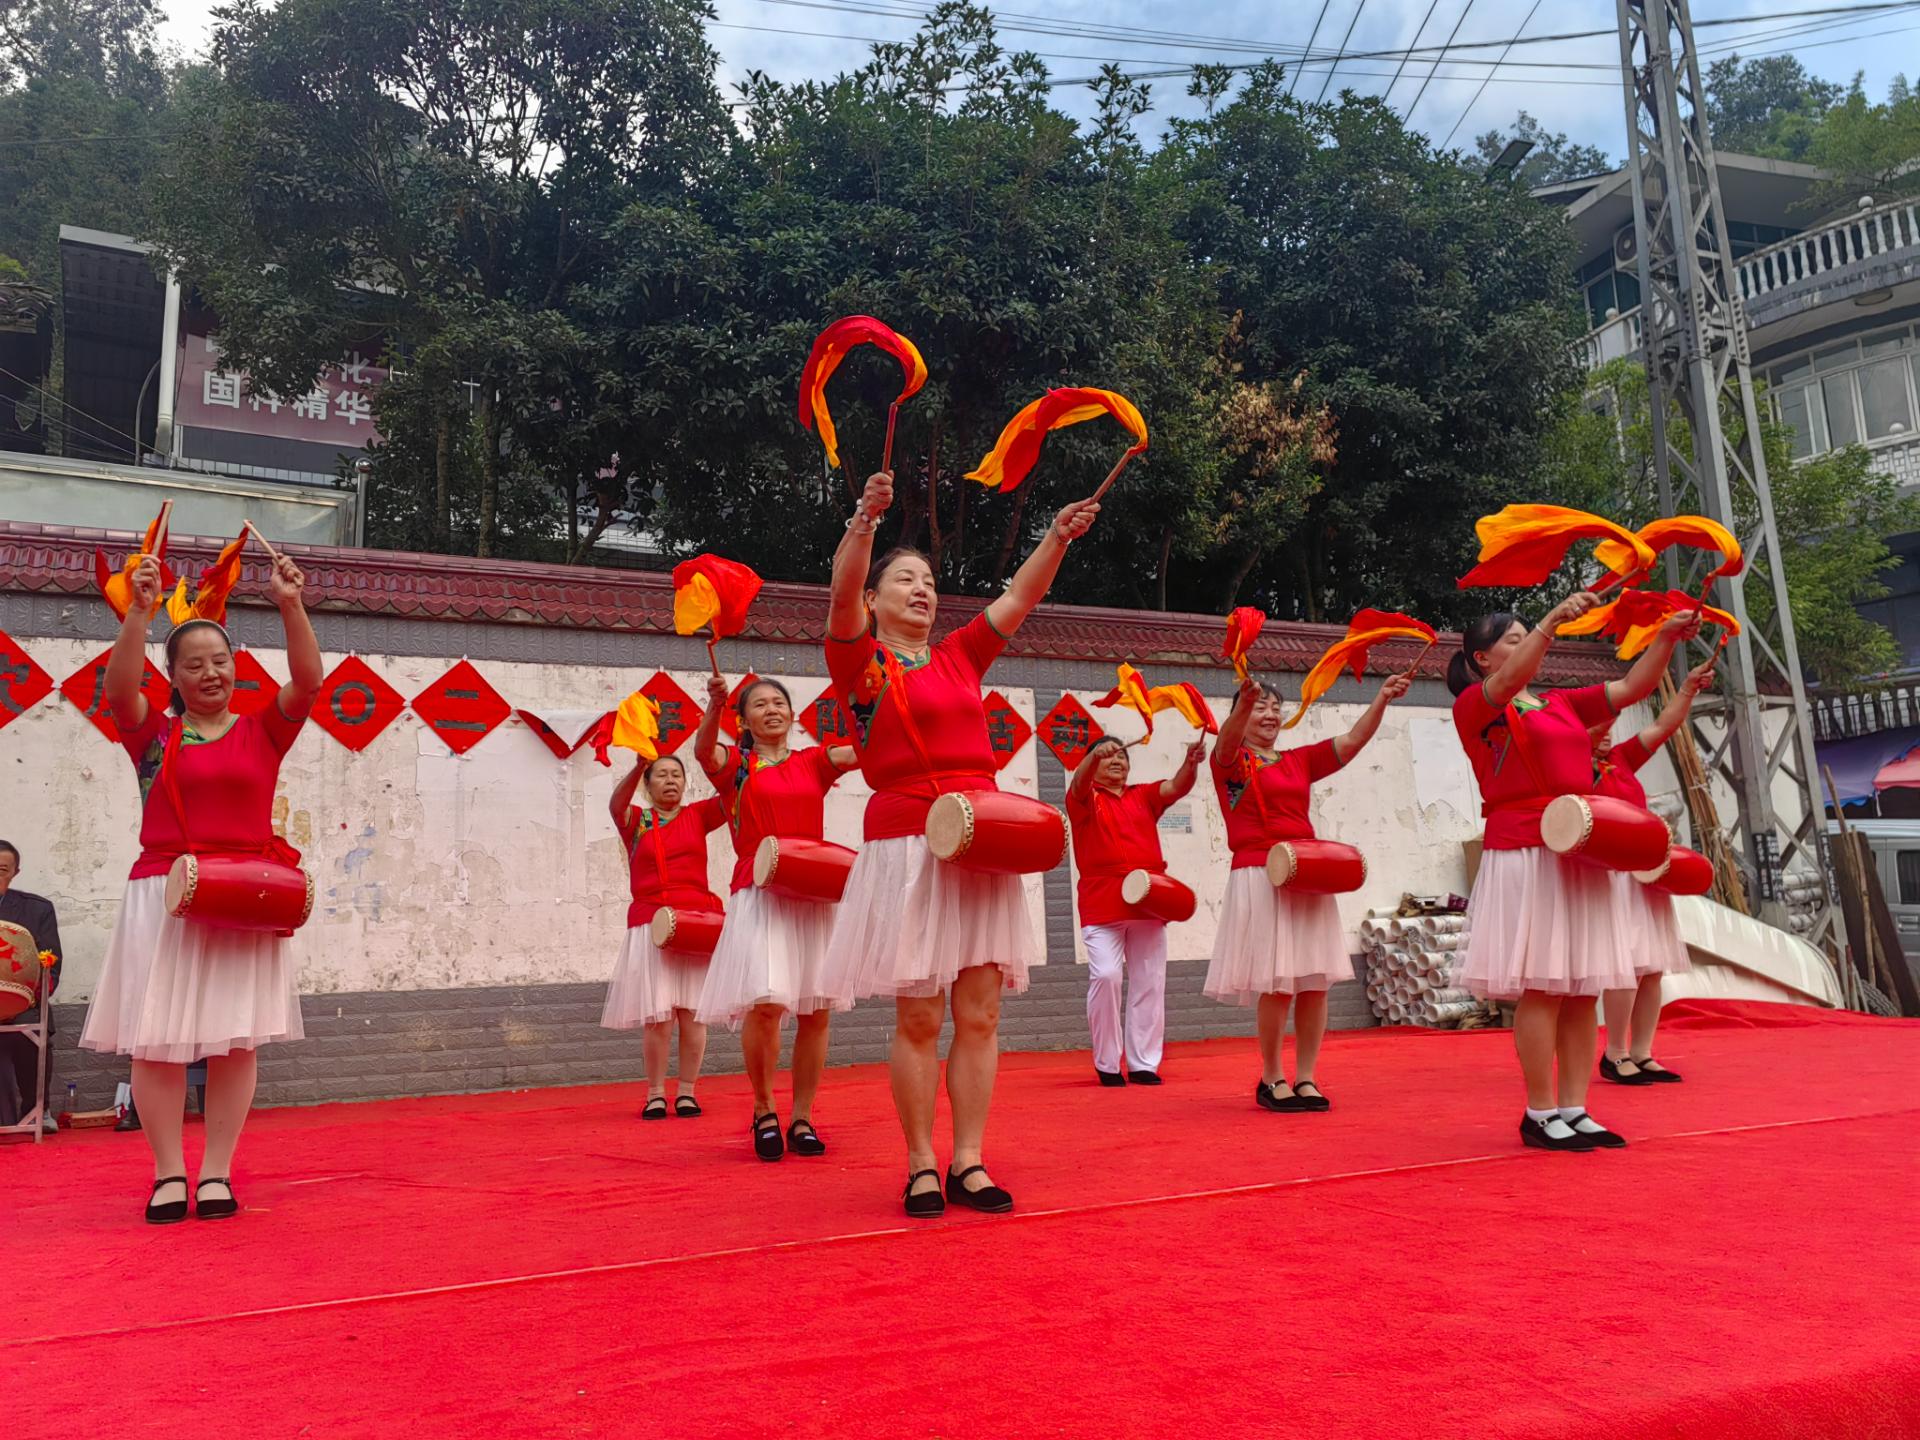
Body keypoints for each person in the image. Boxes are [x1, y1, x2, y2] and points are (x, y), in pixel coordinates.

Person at [819, 468, 1101, 1217]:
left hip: (978, 846)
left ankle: (969, 1160)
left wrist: (1056, 536)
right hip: (908, 848)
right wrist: (864, 523)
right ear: (875, 601)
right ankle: (919, 1162)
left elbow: (1021, 598)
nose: (922, 591)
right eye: (905, 581)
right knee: (919, 1017)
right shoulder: (859, 664)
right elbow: (840, 596)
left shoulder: (958, 658)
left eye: (930, 582)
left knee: (979, 1015)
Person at [80, 549, 323, 1222]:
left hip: (242, 898)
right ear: (174, 677)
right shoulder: (152, 738)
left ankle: (216, 1172)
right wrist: (139, 613)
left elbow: (307, 684)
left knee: (234, 1040)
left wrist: (290, 604)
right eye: (194, 664)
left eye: (220, 661)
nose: (210, 672)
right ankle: (166, 1174)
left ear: (235, 669)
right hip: (165, 894)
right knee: (156, 1043)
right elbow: (116, 692)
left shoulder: (262, 733)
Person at [1447, 600, 1698, 1152]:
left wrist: (1666, 638)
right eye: (1511, 639)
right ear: (1482, 660)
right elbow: (1516, 676)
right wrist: (1551, 622)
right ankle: (1539, 1111)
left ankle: (1576, 1107)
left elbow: (1631, 689)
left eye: (1524, 635)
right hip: (1524, 849)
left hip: (1580, 846)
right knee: (1544, 987)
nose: (1523, 644)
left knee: (1583, 989)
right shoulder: (1478, 705)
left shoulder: (1559, 703)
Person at [1205, 673, 1409, 1112]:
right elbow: (1224, 744)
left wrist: (1383, 698)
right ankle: (1271, 1076)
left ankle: (1307, 1077)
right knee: (1278, 984)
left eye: (1276, 708)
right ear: (1240, 713)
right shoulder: (1231, 764)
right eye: (1261, 707)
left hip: (1308, 871)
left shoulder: (1298, 761)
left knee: (1315, 982)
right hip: (1262, 874)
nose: (1271, 714)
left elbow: (1352, 742)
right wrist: (1244, 703)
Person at [692, 674, 858, 1161]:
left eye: (779, 702)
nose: (771, 710)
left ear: (792, 714)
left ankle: (802, 1116)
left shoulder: (814, 761)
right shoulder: (736, 766)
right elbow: (705, 754)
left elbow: (865, 754)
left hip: (812, 894)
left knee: (815, 1010)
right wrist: (713, 708)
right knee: (765, 1004)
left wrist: (868, 705)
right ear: (742, 720)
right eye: (759, 705)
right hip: (761, 894)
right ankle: (764, 1109)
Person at [1592, 659, 1717, 1087]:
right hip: (1608, 876)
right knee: (1624, 967)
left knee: (1650, 968)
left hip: (1645, 873)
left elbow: (1663, 726)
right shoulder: (1569, 772)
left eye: (1610, 724)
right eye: (1597, 726)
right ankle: (1615, 1053)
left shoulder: (1622, 760)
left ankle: (1643, 1052)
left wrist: (1686, 690)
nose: (1607, 732)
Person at [1065, 735, 1206, 1087]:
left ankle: (1144, 1063)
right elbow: (1078, 782)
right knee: (1107, 976)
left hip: (1148, 901)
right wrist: (1089, 759)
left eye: (1123, 756)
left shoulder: (1142, 796)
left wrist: (1190, 763)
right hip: (1101, 902)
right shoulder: (1083, 800)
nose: (1118, 761)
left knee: (1149, 982)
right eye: (1108, 756)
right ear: (1093, 762)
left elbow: (1175, 787)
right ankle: (1108, 1062)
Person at [601, 752, 727, 1119]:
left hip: (695, 923)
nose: (671, 780)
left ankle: (687, 1091)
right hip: (652, 923)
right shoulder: (636, 821)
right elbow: (615, 804)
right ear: (648, 783)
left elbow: (734, 795)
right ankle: (655, 1093)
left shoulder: (698, 816)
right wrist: (639, 764)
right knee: (658, 1017)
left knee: (693, 1015)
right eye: (661, 775)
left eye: (677, 775)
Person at [0, 840, 62, 1132]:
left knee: (34, 1024)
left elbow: (52, 966)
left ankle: (37, 1110)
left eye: (2, 870)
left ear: (14, 873)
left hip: (20, 1001)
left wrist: (29, 997)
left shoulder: (36, 911)